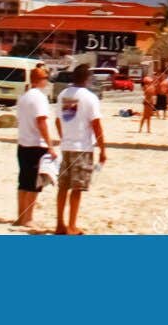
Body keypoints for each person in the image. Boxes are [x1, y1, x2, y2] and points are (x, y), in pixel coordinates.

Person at [55, 64, 105, 235]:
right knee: (77, 188)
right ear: (87, 78)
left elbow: (58, 121)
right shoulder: (90, 97)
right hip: (82, 148)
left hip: (66, 146)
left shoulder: (63, 95)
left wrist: (64, 136)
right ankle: (71, 225)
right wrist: (103, 149)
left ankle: (60, 224)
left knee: (63, 187)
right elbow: (96, 125)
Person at [15, 66, 57, 227]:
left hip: (23, 143)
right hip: (35, 144)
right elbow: (41, 122)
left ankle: (21, 215)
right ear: (41, 79)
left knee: (23, 181)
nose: (47, 80)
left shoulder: (24, 97)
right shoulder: (39, 97)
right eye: (46, 77)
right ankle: (27, 218)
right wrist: (50, 145)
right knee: (34, 183)